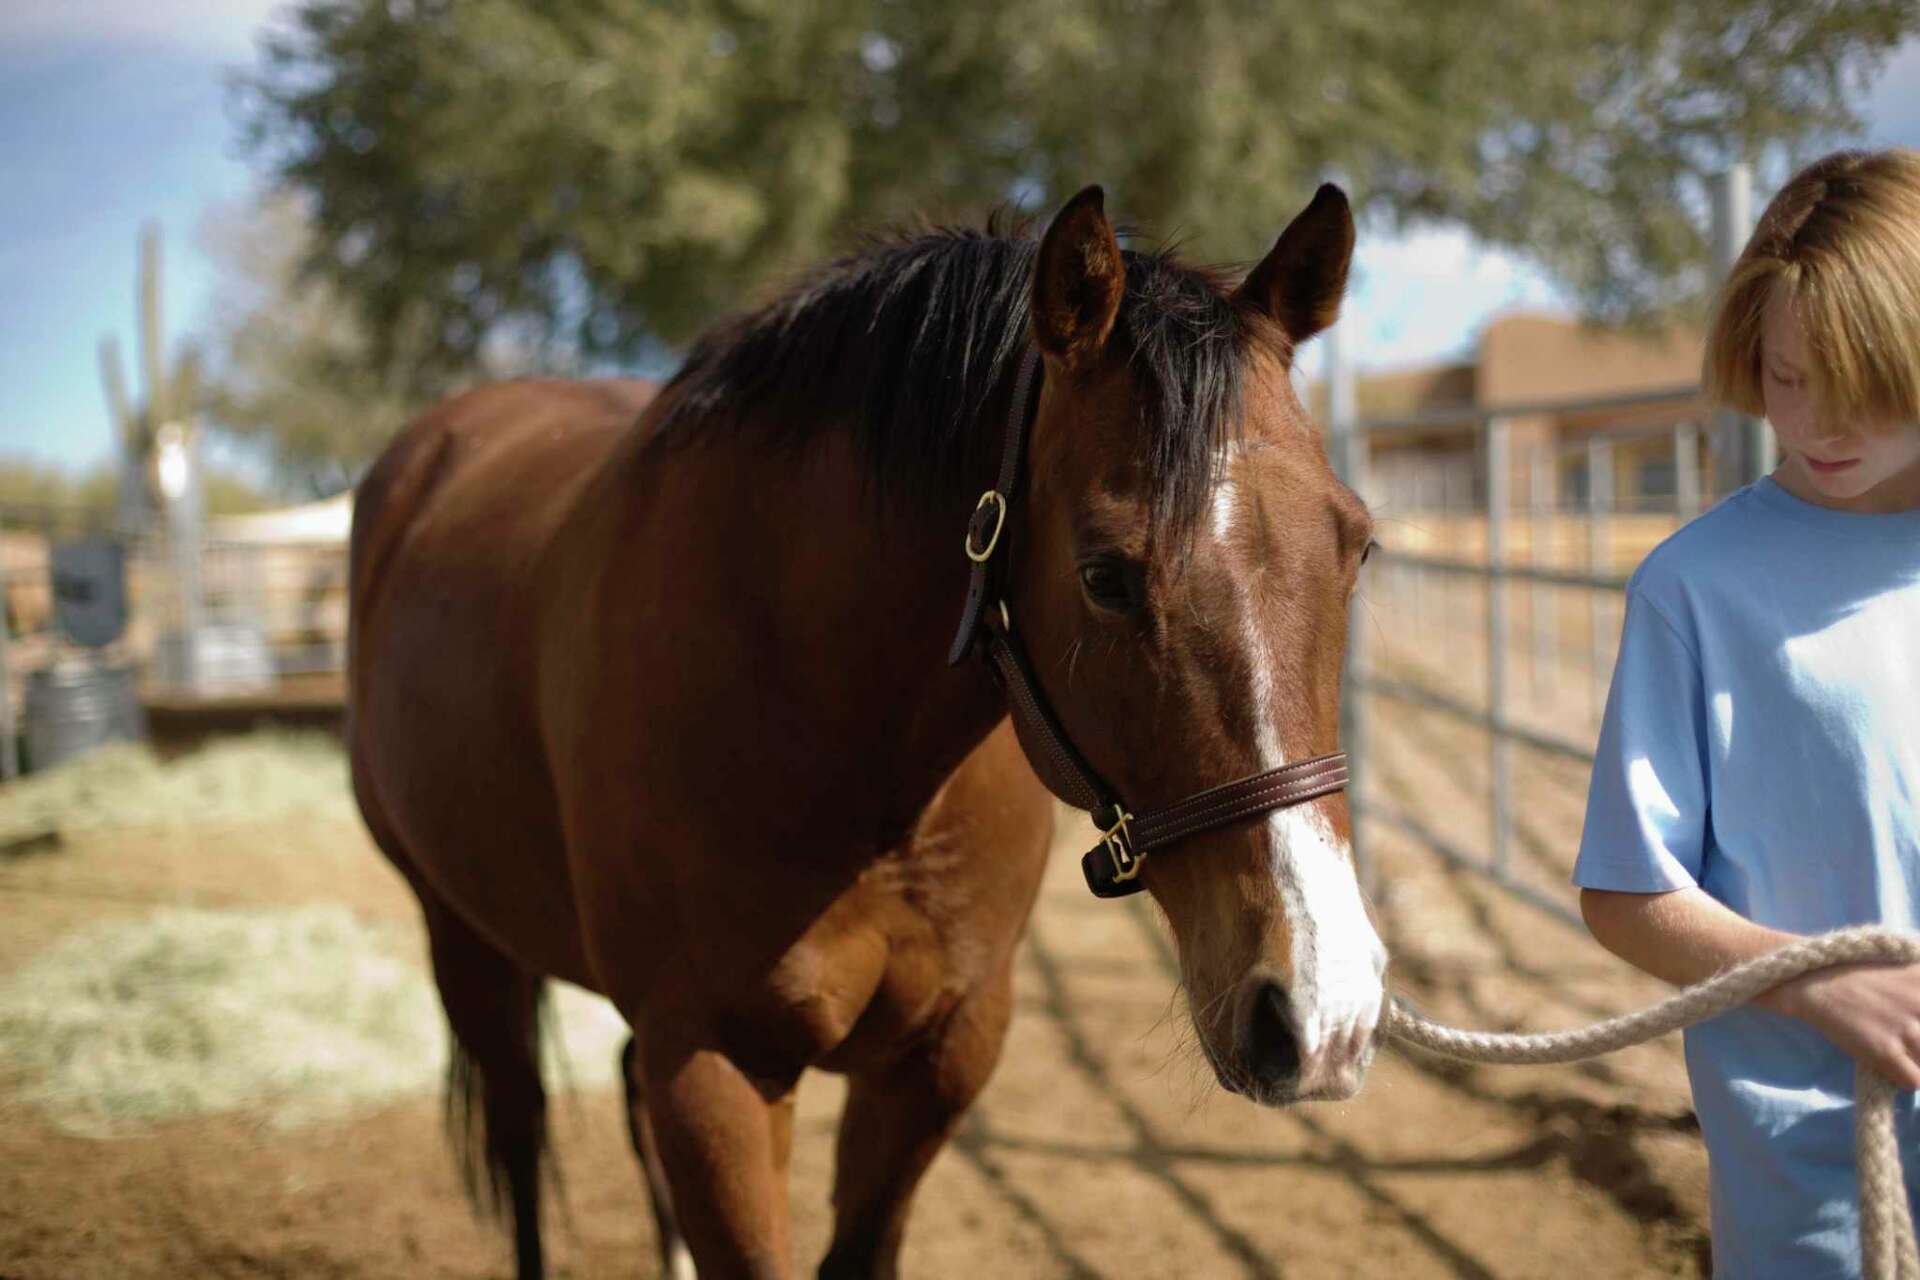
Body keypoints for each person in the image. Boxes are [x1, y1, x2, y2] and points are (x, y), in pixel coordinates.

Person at [1574, 146, 1920, 1278]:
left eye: (1866, 381)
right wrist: (1820, 981)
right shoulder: (1695, 586)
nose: (1820, 421)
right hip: (1814, 1171)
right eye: (1787, 377)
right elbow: (1628, 892)